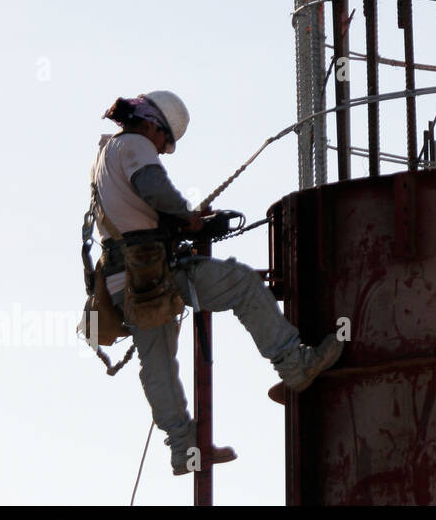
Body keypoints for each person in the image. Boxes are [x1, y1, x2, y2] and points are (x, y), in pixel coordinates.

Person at [88, 91, 343, 476]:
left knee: (156, 363)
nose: (163, 148)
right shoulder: (137, 145)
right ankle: (294, 362)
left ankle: (182, 448)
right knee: (240, 283)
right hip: (152, 273)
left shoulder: (105, 155)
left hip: (122, 279)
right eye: (165, 141)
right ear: (154, 125)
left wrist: (178, 223)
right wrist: (188, 219)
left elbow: (130, 213)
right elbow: (154, 190)